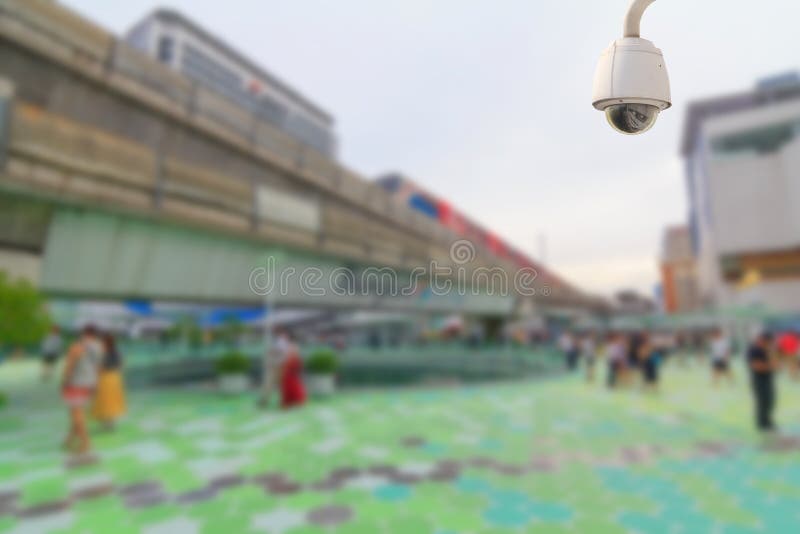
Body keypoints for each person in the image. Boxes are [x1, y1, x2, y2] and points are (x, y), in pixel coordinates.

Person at [61, 325, 104, 454]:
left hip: (76, 383)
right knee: (78, 413)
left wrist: (64, 381)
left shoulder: (76, 347)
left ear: (83, 334)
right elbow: (99, 367)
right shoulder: (99, 347)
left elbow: (69, 367)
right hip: (90, 383)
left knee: (76, 414)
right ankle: (70, 439)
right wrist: (96, 384)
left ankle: (86, 442)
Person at [92, 333, 126, 430]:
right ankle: (110, 422)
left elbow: (100, 367)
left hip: (105, 378)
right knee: (112, 401)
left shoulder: (103, 353)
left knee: (105, 401)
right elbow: (121, 365)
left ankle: (107, 422)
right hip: (115, 378)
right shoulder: (117, 352)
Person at [748, 332, 777, 434]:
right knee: (762, 401)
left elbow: (774, 363)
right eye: (767, 342)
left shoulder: (766, 350)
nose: (769, 344)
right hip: (758, 379)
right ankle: (762, 424)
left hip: (768, 378)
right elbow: (756, 366)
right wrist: (770, 366)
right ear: (762, 340)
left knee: (770, 400)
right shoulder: (754, 350)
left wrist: (771, 355)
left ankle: (768, 421)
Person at [258, 328, 290, 409]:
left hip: (278, 365)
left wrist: (271, 351)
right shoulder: (281, 341)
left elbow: (280, 351)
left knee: (272, 383)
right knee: (275, 384)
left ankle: (265, 400)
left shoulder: (281, 341)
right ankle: (266, 400)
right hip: (278, 365)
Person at [280, 333, 306, 409]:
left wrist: (286, 365)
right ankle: (293, 400)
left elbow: (290, 357)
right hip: (293, 364)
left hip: (291, 364)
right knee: (292, 381)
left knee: (290, 381)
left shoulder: (291, 346)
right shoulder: (294, 346)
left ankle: (291, 400)